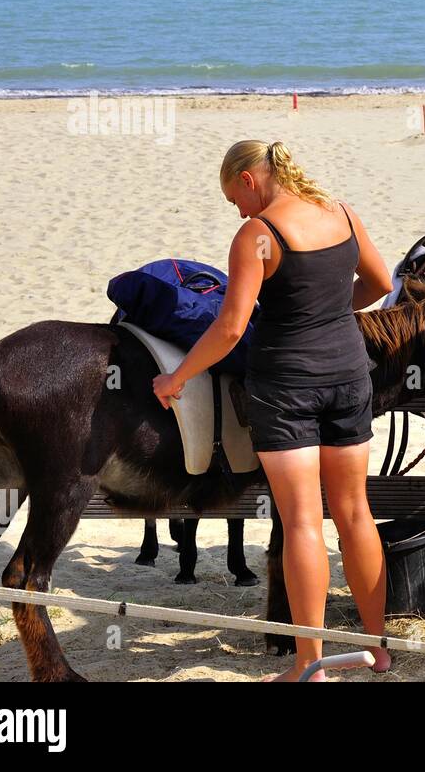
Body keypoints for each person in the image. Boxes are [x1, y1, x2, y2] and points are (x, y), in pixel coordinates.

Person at [151, 139, 395, 681]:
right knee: (355, 514)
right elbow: (380, 284)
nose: (238, 210)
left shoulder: (258, 234)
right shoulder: (344, 214)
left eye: (234, 198)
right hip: (350, 378)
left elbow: (232, 327)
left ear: (248, 180)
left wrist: (177, 377)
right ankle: (378, 651)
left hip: (286, 387)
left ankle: (310, 665)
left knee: (303, 520)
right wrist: (329, 311)